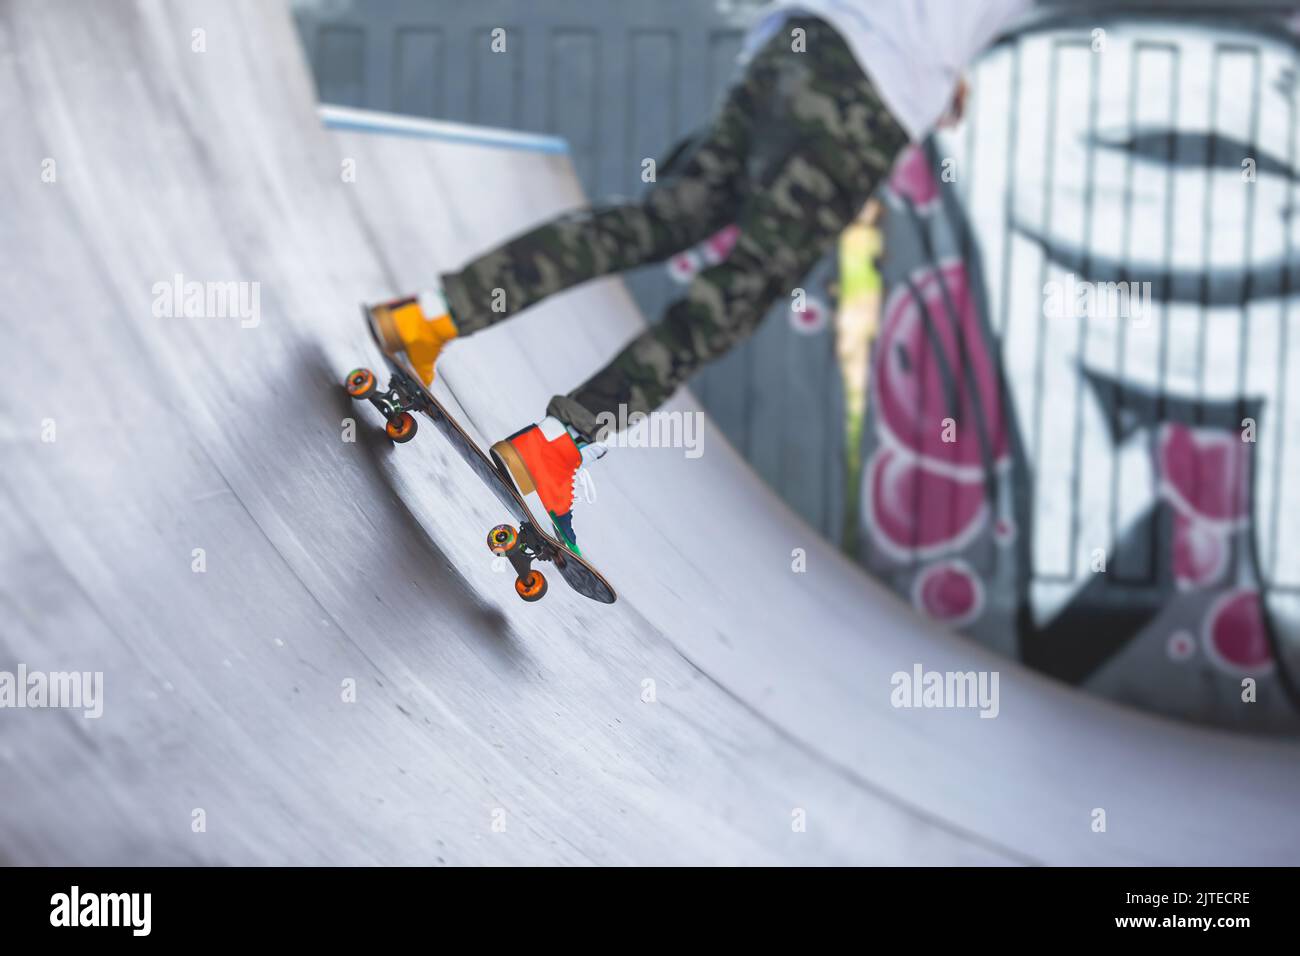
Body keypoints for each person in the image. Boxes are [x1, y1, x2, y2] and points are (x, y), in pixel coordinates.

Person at [368, 0, 1031, 556]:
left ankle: (430, 315)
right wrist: (928, 72)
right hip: (863, 110)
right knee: (730, 300)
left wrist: (941, 65)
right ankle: (560, 444)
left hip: (793, 53)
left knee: (659, 219)